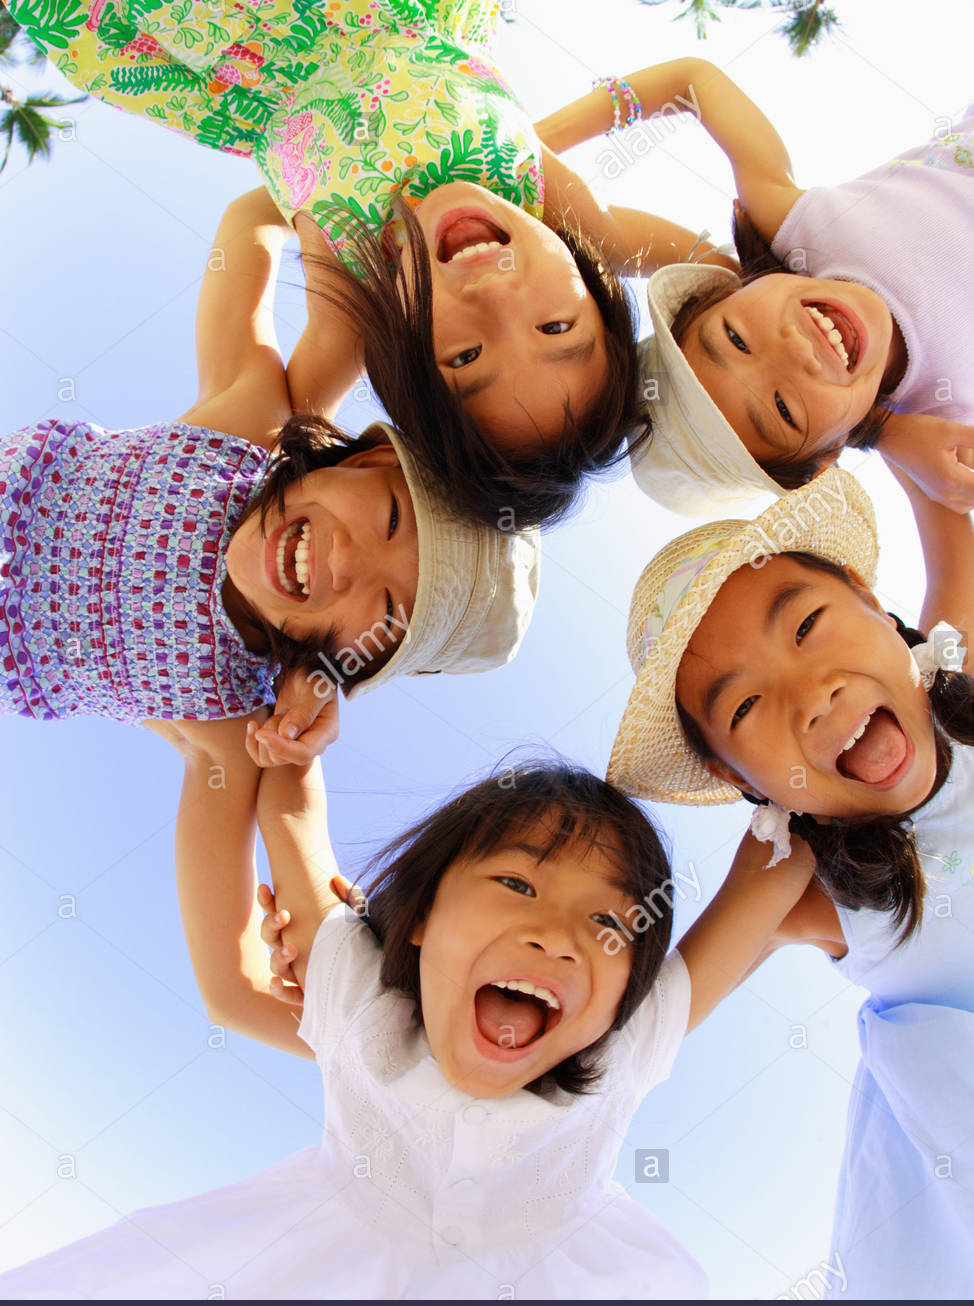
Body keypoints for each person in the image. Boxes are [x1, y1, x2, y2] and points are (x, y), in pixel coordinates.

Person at [0, 758, 815, 1299]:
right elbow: (292, 817)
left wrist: (795, 773)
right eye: (517, 885)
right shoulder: (362, 995)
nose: (559, 935)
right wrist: (303, 715)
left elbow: (764, 880)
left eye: (608, 918)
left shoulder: (621, 1047)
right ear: (420, 917)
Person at [6, 0, 735, 527]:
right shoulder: (532, 188)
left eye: (466, 354)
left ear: (402, 351)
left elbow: (291, 416)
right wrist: (758, 264)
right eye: (554, 325)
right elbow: (657, 240)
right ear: (585, 273)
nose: (493, 296)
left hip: (224, 34)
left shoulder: (354, 277)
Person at [1, 187, 541, 768]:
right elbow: (253, 223)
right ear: (368, 462)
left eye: (387, 610)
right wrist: (320, 177)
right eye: (390, 519)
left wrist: (296, 726)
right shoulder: (243, 437)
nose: (343, 564)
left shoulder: (229, 701)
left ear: (348, 659)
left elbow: (219, 841)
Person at [608, 465, 974, 1297]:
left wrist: (897, 431)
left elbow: (947, 490)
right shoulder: (807, 887)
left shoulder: (961, 688)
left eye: (809, 623)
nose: (812, 696)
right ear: (739, 778)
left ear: (873, 603)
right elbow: (650, 1022)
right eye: (744, 710)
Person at [538, 58, 974, 515]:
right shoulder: (939, 429)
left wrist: (527, 144)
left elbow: (691, 79)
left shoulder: (800, 229)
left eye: (736, 339)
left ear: (730, 289)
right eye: (784, 410)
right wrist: (886, 431)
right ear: (826, 456)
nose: (795, 352)